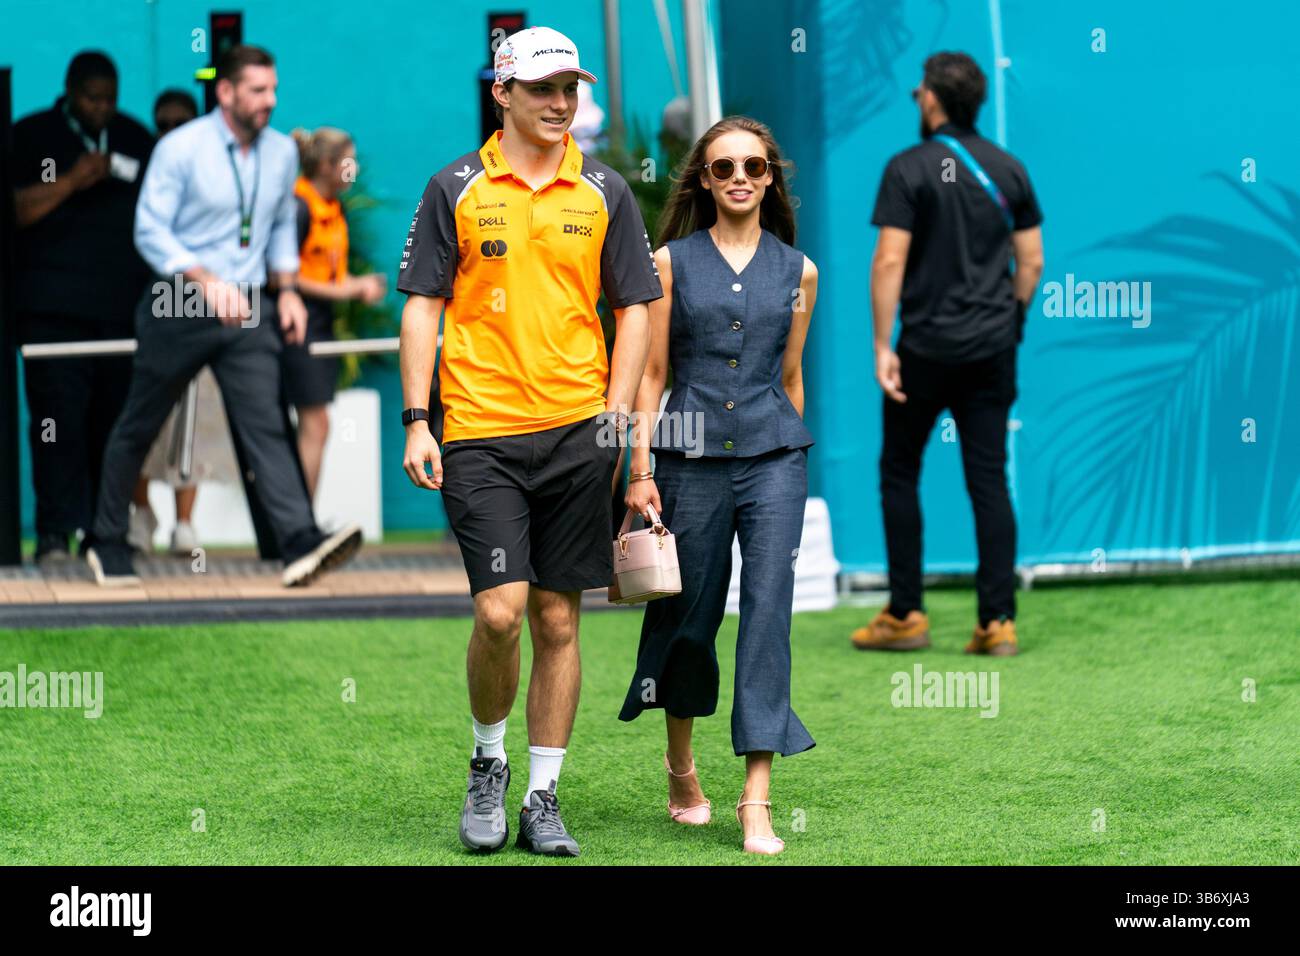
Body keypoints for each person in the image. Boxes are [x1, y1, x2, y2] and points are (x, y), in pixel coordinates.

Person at [398, 26, 660, 857]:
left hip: (579, 431)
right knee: (501, 613)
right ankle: (488, 763)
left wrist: (617, 410)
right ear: (502, 93)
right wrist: (415, 418)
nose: (560, 104)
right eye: (543, 89)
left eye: (570, 90)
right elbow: (423, 306)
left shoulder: (607, 191)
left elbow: (639, 307)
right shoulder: (456, 187)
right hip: (479, 431)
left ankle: (544, 794)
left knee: (557, 619)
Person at [85, 44, 362, 588]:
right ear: (227, 92)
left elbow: (282, 224)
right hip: (181, 301)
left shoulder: (282, 153)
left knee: (266, 424)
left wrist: (284, 290)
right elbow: (150, 229)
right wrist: (206, 281)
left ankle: (298, 541)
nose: (270, 101)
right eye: (258, 91)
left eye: (274, 90)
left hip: (248, 304)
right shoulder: (181, 149)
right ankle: (106, 538)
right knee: (141, 423)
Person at [618, 116, 818, 856]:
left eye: (755, 167)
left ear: (771, 177)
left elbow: (790, 375)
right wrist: (640, 470)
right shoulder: (669, 262)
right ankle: (680, 768)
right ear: (702, 178)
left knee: (769, 614)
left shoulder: (799, 272)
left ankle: (756, 799)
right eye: (724, 166)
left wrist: (792, 453)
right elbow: (652, 375)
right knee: (687, 619)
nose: (740, 177)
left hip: (774, 462)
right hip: (687, 458)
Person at [852, 51, 1044, 656]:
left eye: (919, 90)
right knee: (988, 479)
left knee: (899, 472)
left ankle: (906, 613)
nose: (914, 96)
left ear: (933, 98)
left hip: (924, 350)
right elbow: (1032, 261)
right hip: (992, 350)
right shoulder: (1008, 168)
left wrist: (883, 344)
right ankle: (997, 622)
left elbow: (888, 261)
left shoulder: (907, 168)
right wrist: (1010, 321)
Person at [10, 51, 154, 568]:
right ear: (70, 92)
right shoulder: (31, 135)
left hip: (120, 313)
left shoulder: (136, 137)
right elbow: (17, 210)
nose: (102, 108)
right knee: (55, 423)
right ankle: (53, 534)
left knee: (112, 427)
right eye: (93, 98)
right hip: (53, 313)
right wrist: (72, 180)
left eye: (110, 99)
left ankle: (104, 535)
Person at [130, 85, 225, 556]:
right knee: (145, 413)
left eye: (180, 123)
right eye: (162, 124)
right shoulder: (152, 173)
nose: (171, 132)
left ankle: (184, 522)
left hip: (206, 309)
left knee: (196, 417)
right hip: (158, 306)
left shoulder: (219, 171)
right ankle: (140, 511)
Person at [283, 126, 386, 499]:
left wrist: (357, 285)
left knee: (316, 423)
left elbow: (327, 269)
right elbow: (285, 278)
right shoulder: (298, 206)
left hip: (322, 322)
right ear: (327, 165)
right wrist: (349, 288)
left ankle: (299, 521)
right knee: (315, 423)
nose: (354, 170)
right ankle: (299, 523)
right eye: (348, 162)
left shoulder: (333, 206)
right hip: (296, 323)